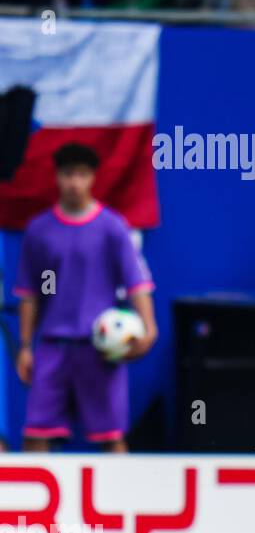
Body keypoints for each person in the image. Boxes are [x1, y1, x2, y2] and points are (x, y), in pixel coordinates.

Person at [13, 143, 157, 454]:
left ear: (92, 178)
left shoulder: (113, 228)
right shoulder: (39, 231)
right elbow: (29, 293)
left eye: (81, 175)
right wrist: (26, 346)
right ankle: (31, 500)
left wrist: (149, 327)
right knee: (36, 433)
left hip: (102, 349)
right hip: (53, 346)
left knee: (111, 436)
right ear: (57, 178)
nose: (74, 183)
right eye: (67, 175)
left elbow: (136, 283)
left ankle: (120, 501)